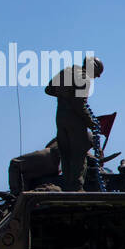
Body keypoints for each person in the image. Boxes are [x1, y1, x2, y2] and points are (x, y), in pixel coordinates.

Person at [45, 56, 104, 191]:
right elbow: (80, 105)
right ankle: (77, 188)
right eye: (97, 73)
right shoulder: (84, 78)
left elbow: (48, 89)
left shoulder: (66, 72)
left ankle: (67, 187)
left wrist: (65, 95)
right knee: (79, 154)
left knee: (65, 154)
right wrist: (92, 123)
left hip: (60, 119)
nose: (97, 77)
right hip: (75, 121)